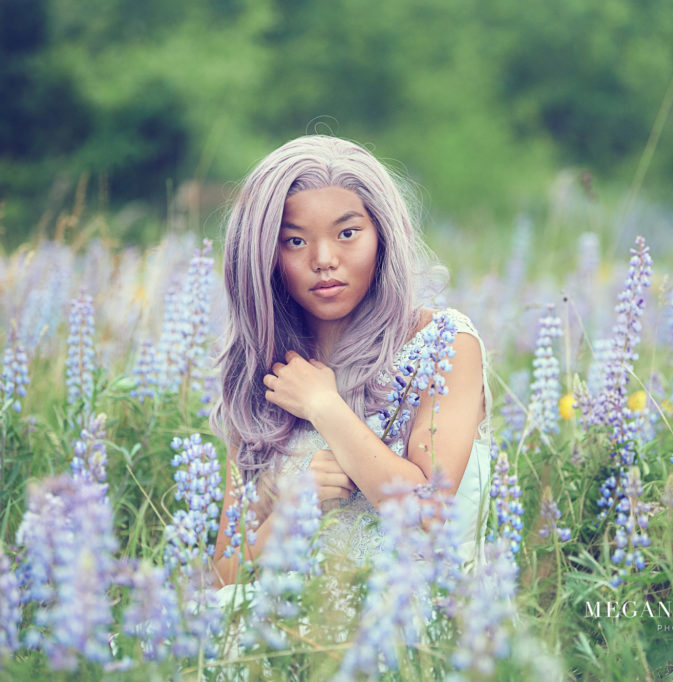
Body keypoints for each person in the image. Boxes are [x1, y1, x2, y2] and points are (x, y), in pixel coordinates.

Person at [209, 135, 492, 585]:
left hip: (415, 612)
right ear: (265, 256)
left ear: (382, 236)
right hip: (288, 616)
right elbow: (224, 575)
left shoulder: (443, 343)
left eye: (347, 234)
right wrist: (294, 507)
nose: (324, 260)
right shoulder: (265, 375)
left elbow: (427, 509)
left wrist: (325, 407)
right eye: (295, 241)